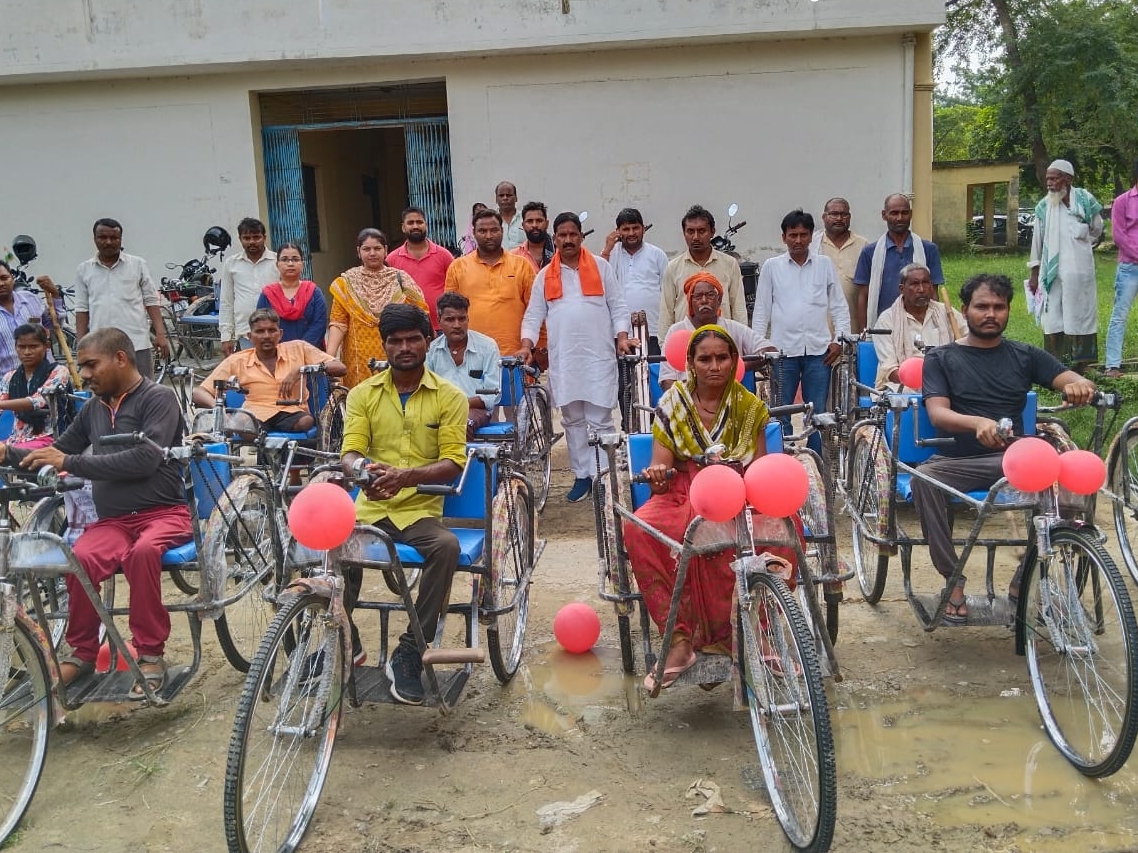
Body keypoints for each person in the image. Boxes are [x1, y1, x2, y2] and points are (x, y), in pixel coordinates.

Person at [0, 327, 192, 695]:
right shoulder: (93, 409)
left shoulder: (159, 398)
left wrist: (71, 461)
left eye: (90, 365)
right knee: (80, 557)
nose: (84, 374)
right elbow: (56, 453)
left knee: (144, 553)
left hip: (164, 514)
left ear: (120, 358)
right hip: (114, 522)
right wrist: (9, 454)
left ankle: (150, 654)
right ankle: (83, 653)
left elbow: (146, 459)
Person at [913, 273, 1095, 622]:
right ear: (965, 310)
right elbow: (937, 413)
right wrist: (977, 422)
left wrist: (1080, 385)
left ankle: (1022, 580)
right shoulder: (942, 358)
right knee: (924, 478)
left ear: (1009, 311)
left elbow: (1067, 377)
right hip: (958, 460)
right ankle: (953, 582)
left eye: (999, 307)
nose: (991, 313)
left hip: (1016, 459)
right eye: (982, 306)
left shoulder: (1024, 355)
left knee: (1067, 483)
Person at [625, 326, 792, 690]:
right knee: (639, 526)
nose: (714, 365)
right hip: (684, 490)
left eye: (722, 357)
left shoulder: (751, 407)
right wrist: (655, 475)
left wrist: (738, 492)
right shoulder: (672, 404)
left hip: (741, 489)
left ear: (734, 361)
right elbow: (661, 474)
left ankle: (757, 633)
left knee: (783, 524)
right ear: (691, 363)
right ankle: (680, 642)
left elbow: (760, 470)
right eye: (705, 359)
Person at [340, 303, 467, 704]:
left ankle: (411, 650)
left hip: (420, 510)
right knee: (330, 547)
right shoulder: (362, 394)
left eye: (413, 338)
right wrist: (363, 472)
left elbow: (453, 462)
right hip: (371, 508)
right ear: (385, 347)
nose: (405, 347)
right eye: (395, 341)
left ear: (429, 342)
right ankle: (345, 640)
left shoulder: (449, 396)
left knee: (446, 548)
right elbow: (350, 452)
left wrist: (406, 477)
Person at [520, 212, 636, 503]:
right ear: (555, 238)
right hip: (565, 359)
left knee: (600, 418)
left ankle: (602, 477)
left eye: (573, 234)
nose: (568, 240)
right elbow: (534, 316)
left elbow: (618, 306)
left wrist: (622, 337)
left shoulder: (600, 266)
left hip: (598, 356)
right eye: (562, 235)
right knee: (572, 419)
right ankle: (582, 475)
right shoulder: (545, 275)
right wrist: (526, 345)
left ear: (581, 237)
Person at [751, 209, 849, 455]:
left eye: (803, 235)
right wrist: (759, 347)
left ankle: (815, 460)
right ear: (783, 237)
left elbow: (838, 305)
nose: (798, 240)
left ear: (810, 237)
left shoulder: (824, 265)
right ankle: (784, 457)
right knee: (781, 410)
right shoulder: (772, 267)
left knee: (818, 413)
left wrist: (839, 341)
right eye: (792, 235)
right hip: (782, 352)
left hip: (819, 351)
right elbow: (761, 309)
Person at [193, 308, 346, 433]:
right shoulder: (237, 360)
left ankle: (290, 465)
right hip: (255, 412)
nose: (266, 336)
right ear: (249, 336)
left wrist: (301, 369)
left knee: (306, 421)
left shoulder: (298, 348)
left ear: (280, 334)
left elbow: (340, 368)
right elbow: (198, 393)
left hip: (291, 411)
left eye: (271, 330)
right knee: (242, 426)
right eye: (260, 331)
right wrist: (220, 411)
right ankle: (266, 459)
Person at [326, 228, 427, 388]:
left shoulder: (401, 281)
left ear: (386, 250)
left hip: (397, 351)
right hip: (357, 358)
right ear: (359, 252)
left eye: (377, 248)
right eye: (367, 249)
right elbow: (339, 323)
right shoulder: (346, 283)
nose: (372, 253)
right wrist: (329, 356)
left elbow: (421, 316)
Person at [1028, 160, 1104, 370]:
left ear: (1068, 179)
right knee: (1052, 316)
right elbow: (1037, 242)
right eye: (1048, 179)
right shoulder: (1044, 206)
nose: (1050, 184)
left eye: (1054, 178)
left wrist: (1082, 237)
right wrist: (1035, 274)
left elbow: (1097, 229)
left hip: (1080, 271)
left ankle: (1082, 363)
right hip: (1051, 272)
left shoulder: (1086, 200)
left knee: (1081, 313)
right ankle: (1054, 364)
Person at [73, 218, 168, 379]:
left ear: (120, 239)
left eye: (114, 238)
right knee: (105, 395)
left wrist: (160, 333)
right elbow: (82, 309)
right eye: (103, 237)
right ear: (94, 239)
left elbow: (151, 301)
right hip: (100, 347)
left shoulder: (137, 265)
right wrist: (82, 344)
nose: (108, 242)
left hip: (136, 344)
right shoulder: (84, 270)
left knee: (143, 394)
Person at [444, 209, 536, 356]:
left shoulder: (522, 265)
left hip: (515, 355)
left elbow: (534, 311)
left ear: (502, 231)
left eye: (494, 230)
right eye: (482, 231)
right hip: (472, 355)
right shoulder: (458, 267)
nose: (488, 236)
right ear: (473, 233)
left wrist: (537, 347)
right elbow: (449, 313)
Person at [658, 272, 771, 390]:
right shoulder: (676, 331)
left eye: (710, 295)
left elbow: (769, 350)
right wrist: (692, 398)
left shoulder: (734, 328)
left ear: (719, 299)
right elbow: (666, 380)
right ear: (690, 301)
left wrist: (736, 367)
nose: (704, 300)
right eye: (698, 296)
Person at [854, 194, 945, 329]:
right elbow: (864, 296)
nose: (900, 218)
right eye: (894, 213)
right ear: (884, 215)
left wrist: (935, 327)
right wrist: (864, 334)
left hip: (920, 326)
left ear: (911, 214)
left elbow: (933, 292)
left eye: (904, 213)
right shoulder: (870, 252)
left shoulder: (928, 249)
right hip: (883, 327)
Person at [873, 263, 965, 390]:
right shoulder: (887, 320)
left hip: (946, 381)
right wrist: (925, 384)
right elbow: (891, 370)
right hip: (904, 384)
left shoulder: (947, 312)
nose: (921, 289)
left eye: (926, 283)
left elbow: (969, 342)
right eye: (914, 284)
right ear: (901, 289)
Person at [425, 292, 502, 438]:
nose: (457, 325)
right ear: (439, 321)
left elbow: (493, 394)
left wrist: (457, 404)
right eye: (450, 319)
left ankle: (458, 461)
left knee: (460, 425)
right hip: (440, 411)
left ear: (468, 319)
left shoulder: (487, 346)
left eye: (462, 319)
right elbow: (426, 390)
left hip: (475, 410)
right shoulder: (431, 351)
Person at [659, 205, 746, 332]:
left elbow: (739, 309)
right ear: (684, 233)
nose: (695, 237)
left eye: (701, 231)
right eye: (690, 231)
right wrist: (665, 347)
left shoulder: (730, 264)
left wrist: (740, 344)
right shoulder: (673, 268)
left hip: (722, 342)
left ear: (712, 232)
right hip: (685, 343)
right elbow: (666, 313)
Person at [602, 207, 669, 354]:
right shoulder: (611, 254)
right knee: (624, 376)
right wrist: (607, 249)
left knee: (652, 374)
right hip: (619, 334)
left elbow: (667, 294)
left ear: (643, 229)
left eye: (635, 228)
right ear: (618, 231)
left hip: (653, 332)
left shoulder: (657, 255)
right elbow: (600, 284)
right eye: (626, 229)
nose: (631, 233)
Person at [0, 323, 73, 449]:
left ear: (47, 346)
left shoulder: (59, 371)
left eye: (33, 346)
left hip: (50, 437)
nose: (27, 352)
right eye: (22, 347)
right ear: (15, 347)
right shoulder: (10, 377)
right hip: (15, 440)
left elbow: (37, 401)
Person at [386, 206, 455, 329]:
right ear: (403, 227)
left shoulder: (444, 255)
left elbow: (455, 289)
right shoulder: (392, 259)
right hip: (407, 328)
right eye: (410, 223)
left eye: (419, 222)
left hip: (441, 327)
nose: (415, 226)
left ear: (426, 225)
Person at [220, 217, 278, 355]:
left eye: (256, 237)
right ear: (240, 239)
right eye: (247, 238)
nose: (252, 241)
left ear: (264, 238)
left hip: (274, 331)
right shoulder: (231, 264)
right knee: (251, 373)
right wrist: (226, 337)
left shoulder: (277, 261)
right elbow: (226, 302)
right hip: (245, 333)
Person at [256, 242, 328, 349]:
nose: (290, 263)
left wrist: (299, 350)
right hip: (277, 354)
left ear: (302, 264)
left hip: (310, 353)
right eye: (284, 259)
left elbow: (319, 324)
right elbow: (261, 325)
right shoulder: (268, 294)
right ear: (277, 264)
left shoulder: (314, 292)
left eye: (295, 259)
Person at [812, 197, 868, 333]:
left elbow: (866, 291)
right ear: (824, 217)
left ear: (849, 217)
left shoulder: (863, 246)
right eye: (834, 214)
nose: (839, 218)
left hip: (852, 327)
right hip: (818, 328)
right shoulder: (812, 245)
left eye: (844, 214)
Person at [1105, 161, 1138, 378]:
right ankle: (1112, 365)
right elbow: (1119, 236)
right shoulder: (1123, 201)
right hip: (1130, 267)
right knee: (1120, 316)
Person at [0, 259, 61, 375]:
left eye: (4, 278)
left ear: (12, 278)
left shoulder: (30, 299)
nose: (1, 284)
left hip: (47, 377)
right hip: (11, 383)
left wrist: (55, 295)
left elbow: (55, 324)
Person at [496, 181, 526, 250]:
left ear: (516, 198)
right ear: (496, 199)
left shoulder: (525, 218)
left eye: (509, 195)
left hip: (522, 260)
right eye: (501, 195)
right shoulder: (491, 220)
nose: (505, 198)